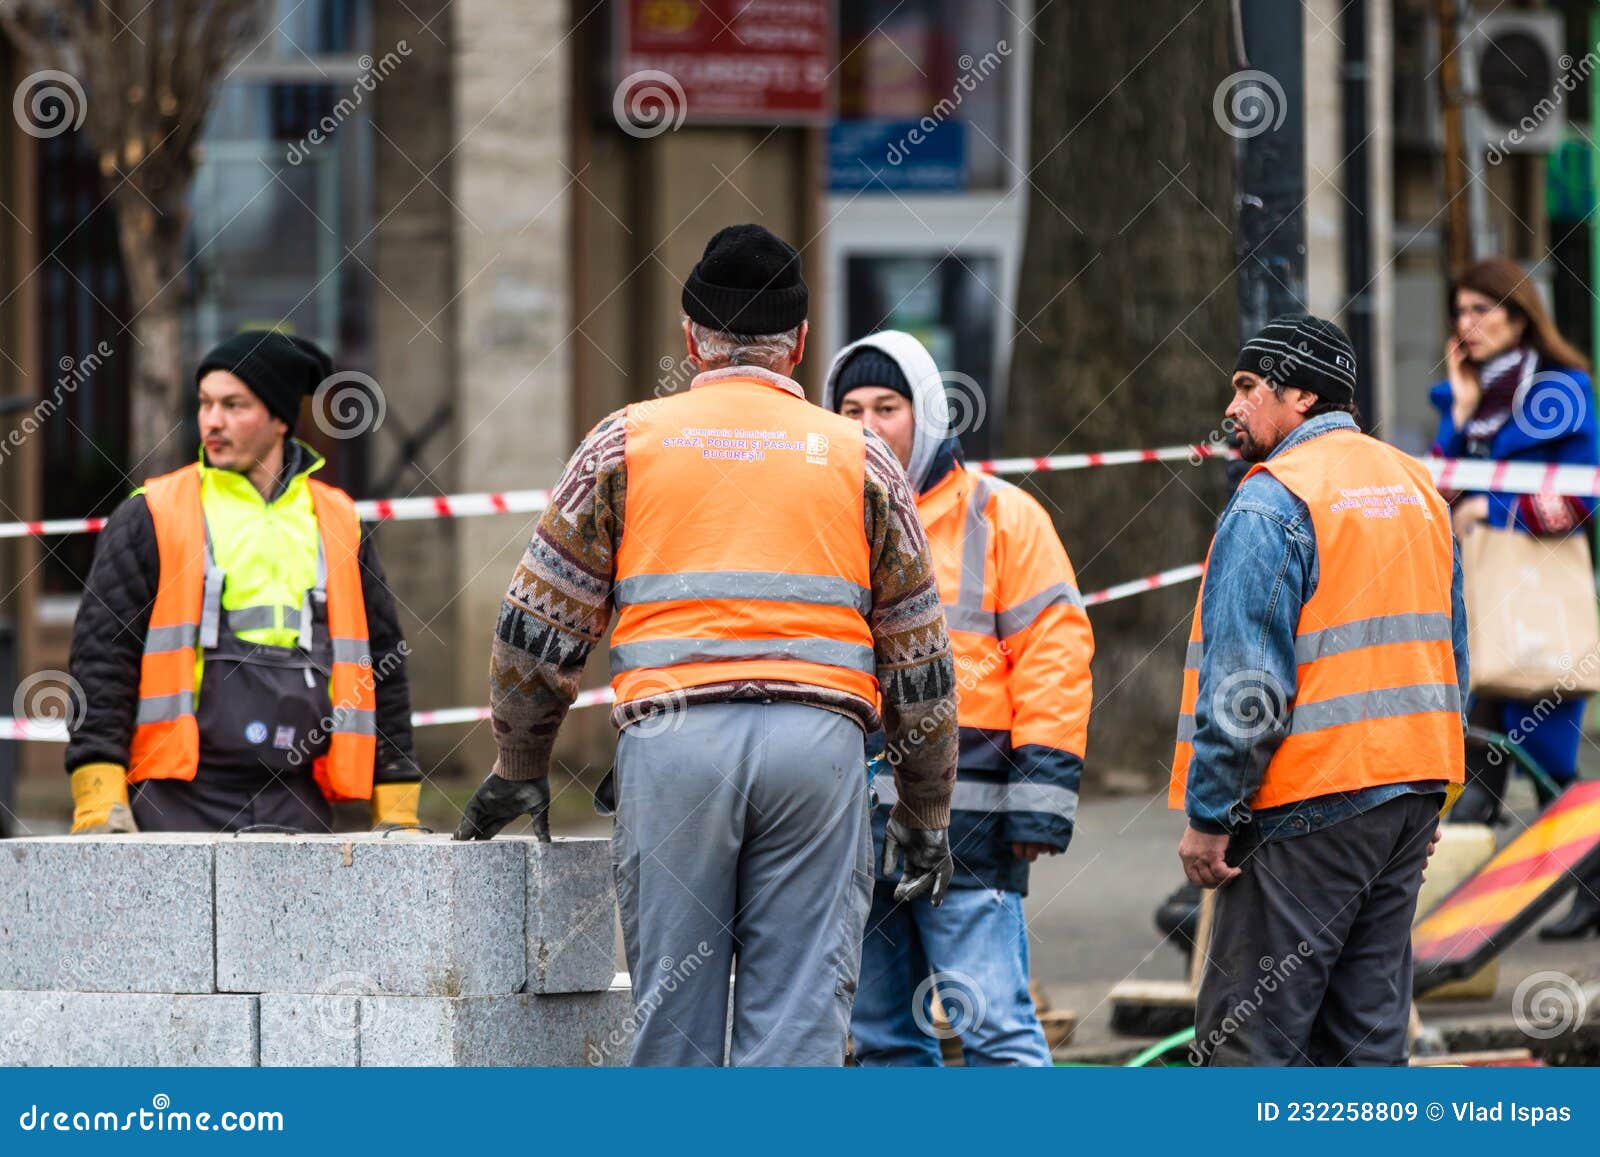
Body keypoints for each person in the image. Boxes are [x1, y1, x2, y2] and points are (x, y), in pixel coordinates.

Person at [453, 225, 958, 1066]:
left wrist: (519, 764)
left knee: (672, 1030)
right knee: (797, 1030)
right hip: (819, 753)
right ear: (797, 344)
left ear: (692, 339)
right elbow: (922, 660)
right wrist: (925, 807)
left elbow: (535, 628)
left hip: (674, 748)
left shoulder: (624, 443)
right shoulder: (862, 456)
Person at [1172, 314, 1467, 1066]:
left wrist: (1211, 815)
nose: (1231, 406)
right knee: (1363, 1045)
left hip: (1305, 807)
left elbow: (1249, 690)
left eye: (1246, 386)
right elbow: (1449, 653)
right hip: (1405, 798)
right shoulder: (1415, 486)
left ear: (1299, 395)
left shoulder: (1274, 498)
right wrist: (1428, 796)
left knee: (1246, 1048)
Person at [824, 331, 1093, 1066]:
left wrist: (1042, 795)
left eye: (888, 406)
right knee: (882, 1041)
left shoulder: (1004, 518)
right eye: (850, 408)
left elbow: (1056, 657)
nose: (868, 426)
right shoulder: (827, 519)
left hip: (970, 826)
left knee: (996, 1033)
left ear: (930, 416)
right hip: (855, 825)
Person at [64, 331, 422, 834]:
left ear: (279, 419)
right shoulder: (154, 513)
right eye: (206, 403)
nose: (212, 421)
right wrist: (98, 795)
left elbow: (381, 661)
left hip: (297, 796)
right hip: (176, 799)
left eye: (234, 405)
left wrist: (397, 803)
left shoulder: (337, 520)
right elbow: (103, 656)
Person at [1429, 258, 1600, 939]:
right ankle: (1454, 922)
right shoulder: (1461, 396)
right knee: (1483, 747)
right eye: (1460, 311)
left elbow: (1577, 500)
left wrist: (1490, 509)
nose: (1467, 324)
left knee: (1548, 755)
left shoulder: (1564, 391)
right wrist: (1464, 413)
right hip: (1478, 602)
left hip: (1535, 601)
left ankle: (1585, 882)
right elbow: (1438, 488)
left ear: (1520, 314)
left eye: (1482, 309)